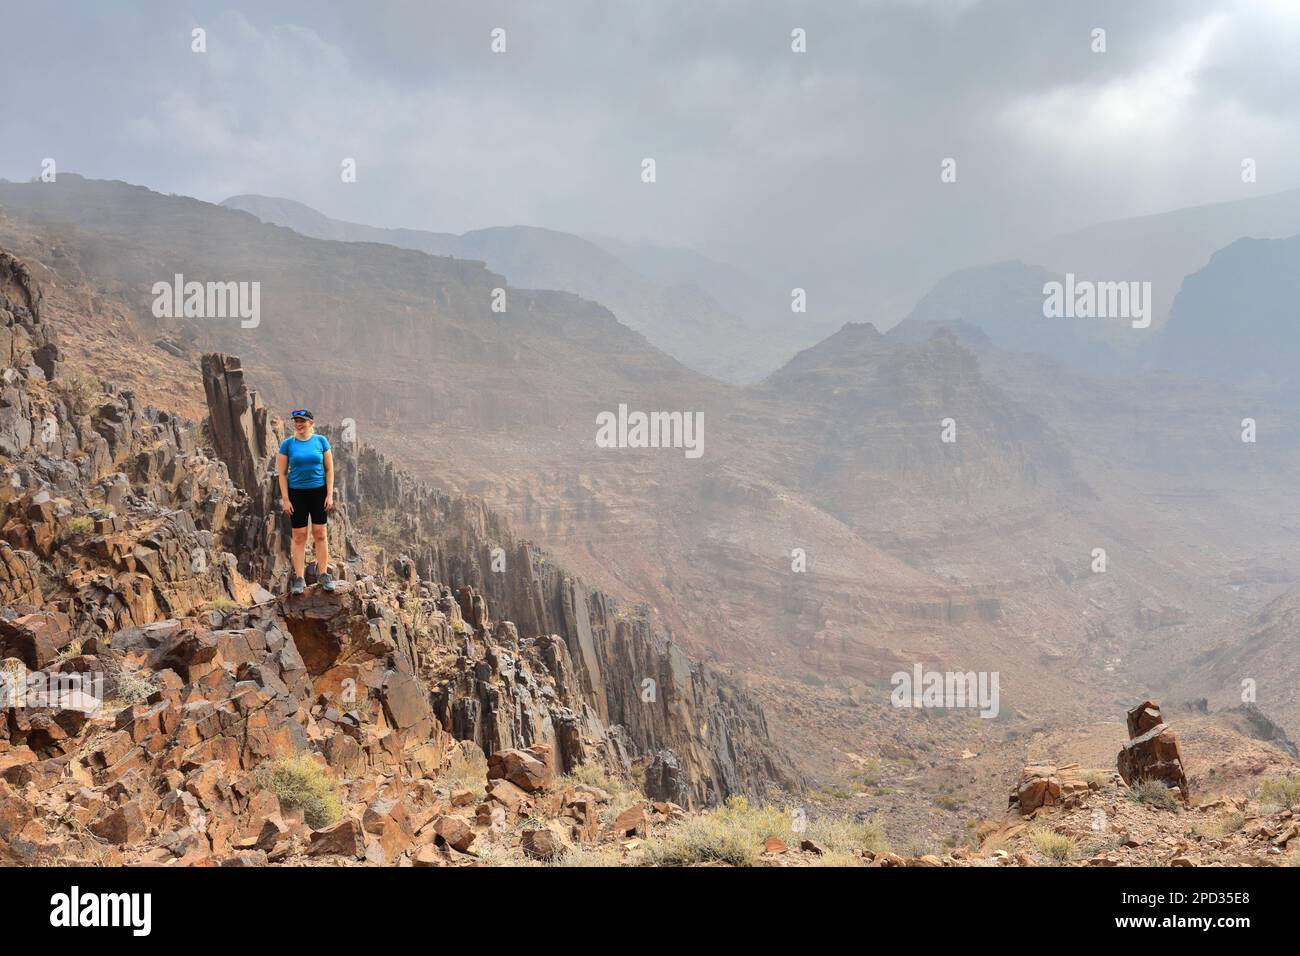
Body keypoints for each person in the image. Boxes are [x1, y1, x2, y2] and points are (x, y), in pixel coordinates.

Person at [276, 408, 335, 594]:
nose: (298, 424)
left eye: (302, 421)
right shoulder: (288, 444)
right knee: (299, 535)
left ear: (311, 423)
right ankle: (299, 579)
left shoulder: (321, 441)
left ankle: (324, 574)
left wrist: (329, 494)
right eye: (296, 421)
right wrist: (285, 499)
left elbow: (329, 470)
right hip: (297, 494)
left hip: (318, 492)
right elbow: (282, 474)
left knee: (320, 533)